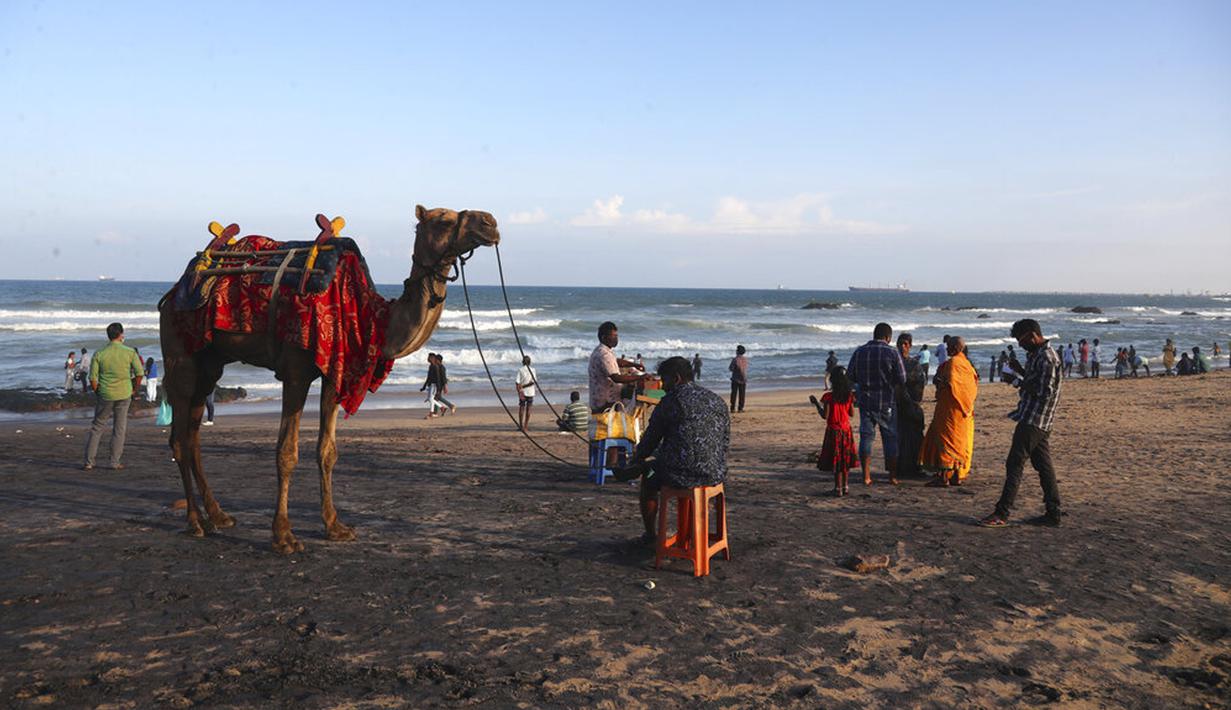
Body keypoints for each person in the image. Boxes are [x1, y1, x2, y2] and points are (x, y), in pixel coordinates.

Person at [614, 356, 729, 545]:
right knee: (658, 460)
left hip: (682, 473)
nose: (662, 386)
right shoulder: (716, 400)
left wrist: (636, 460)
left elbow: (649, 441)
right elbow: (724, 442)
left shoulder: (670, 401)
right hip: (715, 472)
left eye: (664, 381)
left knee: (649, 476)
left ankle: (650, 536)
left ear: (676, 379)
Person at [979, 319, 1062, 528]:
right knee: (1044, 467)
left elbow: (1044, 391)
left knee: (1015, 464)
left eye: (1022, 341)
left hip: (1034, 419)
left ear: (1033, 335)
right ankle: (1053, 512)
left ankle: (1002, 513)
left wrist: (1016, 381)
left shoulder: (1047, 358)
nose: (1020, 345)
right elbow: (1037, 381)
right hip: (1036, 419)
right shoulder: (1039, 355)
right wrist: (1020, 371)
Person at [847, 322, 907, 486]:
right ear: (888, 337)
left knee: (866, 438)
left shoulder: (859, 352)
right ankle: (892, 476)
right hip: (887, 401)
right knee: (890, 438)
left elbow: (850, 376)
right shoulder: (892, 352)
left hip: (865, 401)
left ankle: (866, 476)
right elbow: (902, 378)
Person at [82, 322, 144, 471]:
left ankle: (89, 462)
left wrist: (98, 391)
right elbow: (139, 373)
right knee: (119, 428)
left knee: (97, 427)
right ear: (121, 334)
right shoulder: (130, 352)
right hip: (124, 393)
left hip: (105, 394)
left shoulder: (99, 353)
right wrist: (134, 390)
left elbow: (92, 378)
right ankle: (114, 462)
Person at [920, 336, 979, 487]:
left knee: (946, 441)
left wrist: (941, 385)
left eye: (948, 347)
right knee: (958, 442)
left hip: (950, 408)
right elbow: (972, 385)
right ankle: (956, 476)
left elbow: (951, 382)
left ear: (954, 348)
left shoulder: (953, 363)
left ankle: (944, 477)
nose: (946, 349)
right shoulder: (967, 364)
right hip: (964, 410)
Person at [809, 366, 858, 495]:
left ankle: (837, 488)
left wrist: (816, 404)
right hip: (846, 430)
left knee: (836, 461)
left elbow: (825, 416)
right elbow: (851, 414)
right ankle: (845, 486)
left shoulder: (828, 397)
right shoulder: (849, 396)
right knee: (845, 459)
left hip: (834, 431)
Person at [588, 322, 646, 418]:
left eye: (616, 335)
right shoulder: (604, 354)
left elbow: (616, 361)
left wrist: (634, 364)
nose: (616, 338)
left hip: (601, 399)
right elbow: (616, 378)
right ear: (603, 337)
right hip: (605, 402)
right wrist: (640, 377)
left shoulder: (603, 350)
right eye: (613, 336)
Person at [894, 333, 926, 480]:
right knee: (899, 437)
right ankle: (899, 468)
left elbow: (920, 384)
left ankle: (914, 467)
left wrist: (914, 401)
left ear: (910, 345)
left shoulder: (914, 364)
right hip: (896, 405)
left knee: (914, 437)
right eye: (900, 343)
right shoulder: (892, 363)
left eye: (905, 344)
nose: (902, 346)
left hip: (911, 404)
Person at [515, 355, 538, 432]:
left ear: (523, 362)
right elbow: (533, 382)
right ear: (530, 362)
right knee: (529, 409)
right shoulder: (533, 370)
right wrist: (524, 386)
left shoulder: (520, 370)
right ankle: (525, 426)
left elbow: (517, 382)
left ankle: (521, 426)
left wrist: (520, 390)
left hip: (523, 392)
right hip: (530, 392)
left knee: (521, 408)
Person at [419, 353, 443, 418]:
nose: (427, 359)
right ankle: (441, 408)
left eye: (429, 357)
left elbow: (438, 378)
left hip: (435, 385)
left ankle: (432, 413)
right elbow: (428, 377)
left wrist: (438, 390)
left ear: (432, 358)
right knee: (430, 399)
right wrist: (424, 386)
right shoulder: (430, 366)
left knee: (430, 398)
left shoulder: (435, 367)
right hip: (431, 385)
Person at [728, 345, 749, 413]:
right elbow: (745, 368)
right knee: (742, 394)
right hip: (743, 379)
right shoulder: (745, 359)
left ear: (737, 351)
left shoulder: (735, 359)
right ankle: (740, 408)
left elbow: (731, 368)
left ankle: (732, 408)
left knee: (734, 394)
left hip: (735, 379)